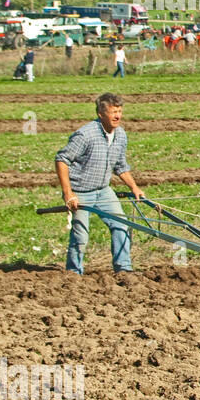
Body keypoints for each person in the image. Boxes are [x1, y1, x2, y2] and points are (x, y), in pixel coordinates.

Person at [55, 92, 144, 276]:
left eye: (119, 111)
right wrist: (68, 193)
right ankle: (73, 274)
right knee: (80, 236)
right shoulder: (85, 135)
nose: (117, 116)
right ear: (100, 114)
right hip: (81, 192)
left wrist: (134, 187)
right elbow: (62, 159)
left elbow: (120, 166)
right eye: (113, 112)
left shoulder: (120, 135)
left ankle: (123, 269)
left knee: (120, 225)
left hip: (103, 190)